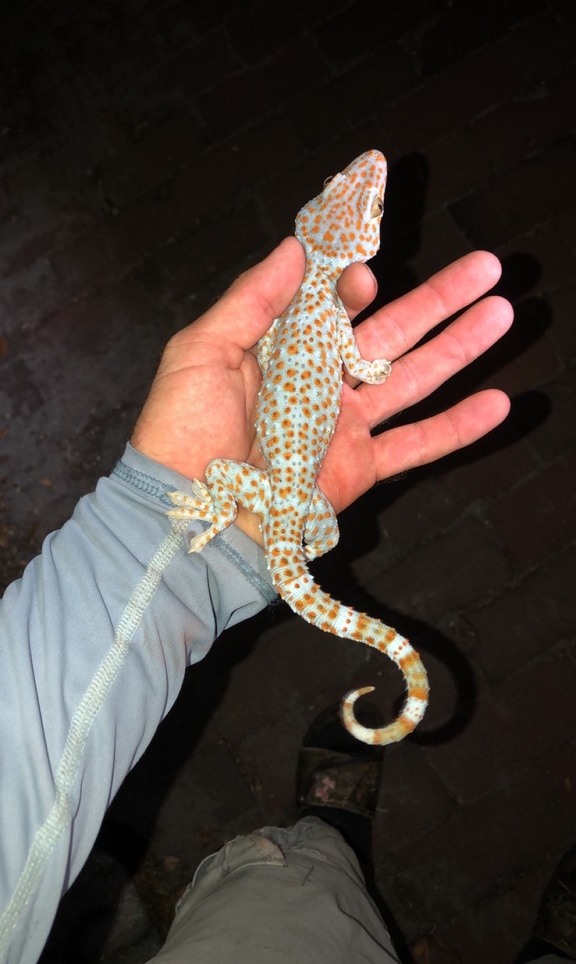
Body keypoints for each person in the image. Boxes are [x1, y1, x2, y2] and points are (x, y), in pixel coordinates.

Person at [2, 234, 553, 964]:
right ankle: (329, 837)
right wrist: (361, 367)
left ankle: (324, 837)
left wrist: (169, 524)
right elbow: (358, 364)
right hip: (286, 500)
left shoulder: (308, 313)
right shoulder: (314, 316)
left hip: (278, 496)